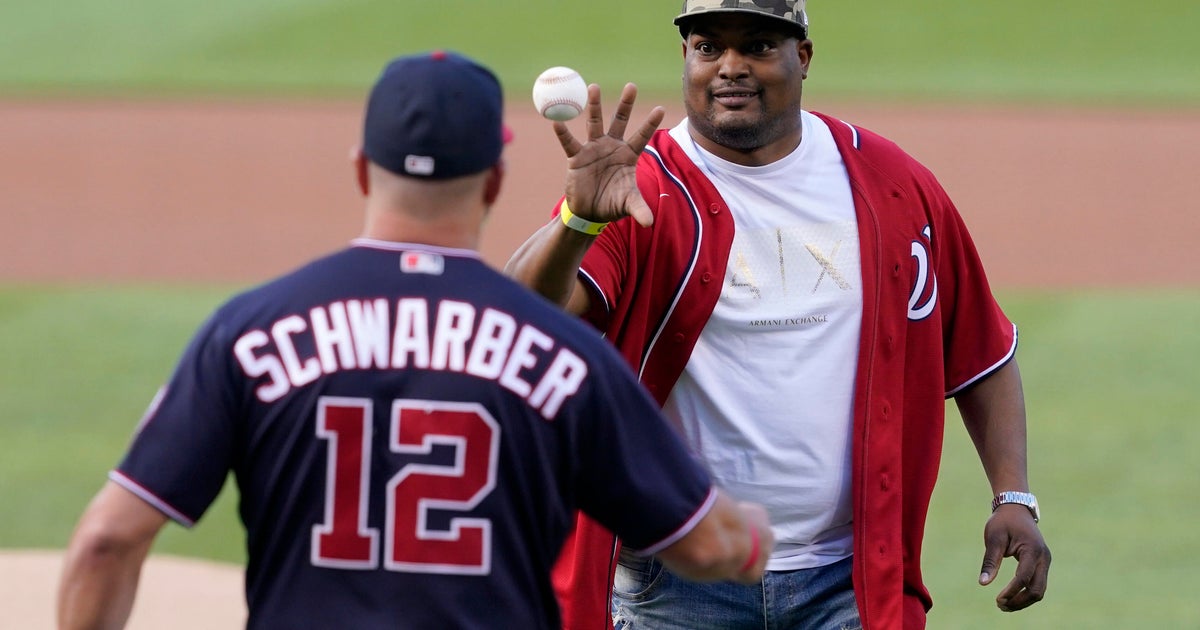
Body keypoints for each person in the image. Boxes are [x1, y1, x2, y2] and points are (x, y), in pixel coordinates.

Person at [56, 50, 777, 630]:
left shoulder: (251, 334)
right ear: (494, 182)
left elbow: (106, 541)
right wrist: (752, 538)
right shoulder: (563, 356)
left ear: (362, 168)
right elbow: (706, 546)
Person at [504, 1, 1052, 629]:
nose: (730, 67)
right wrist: (578, 222)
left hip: (849, 581)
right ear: (686, 57)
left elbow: (980, 350)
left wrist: (1014, 496)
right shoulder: (642, 188)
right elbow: (527, 318)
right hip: (677, 582)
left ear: (804, 57)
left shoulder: (892, 185)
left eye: (759, 46)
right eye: (709, 47)